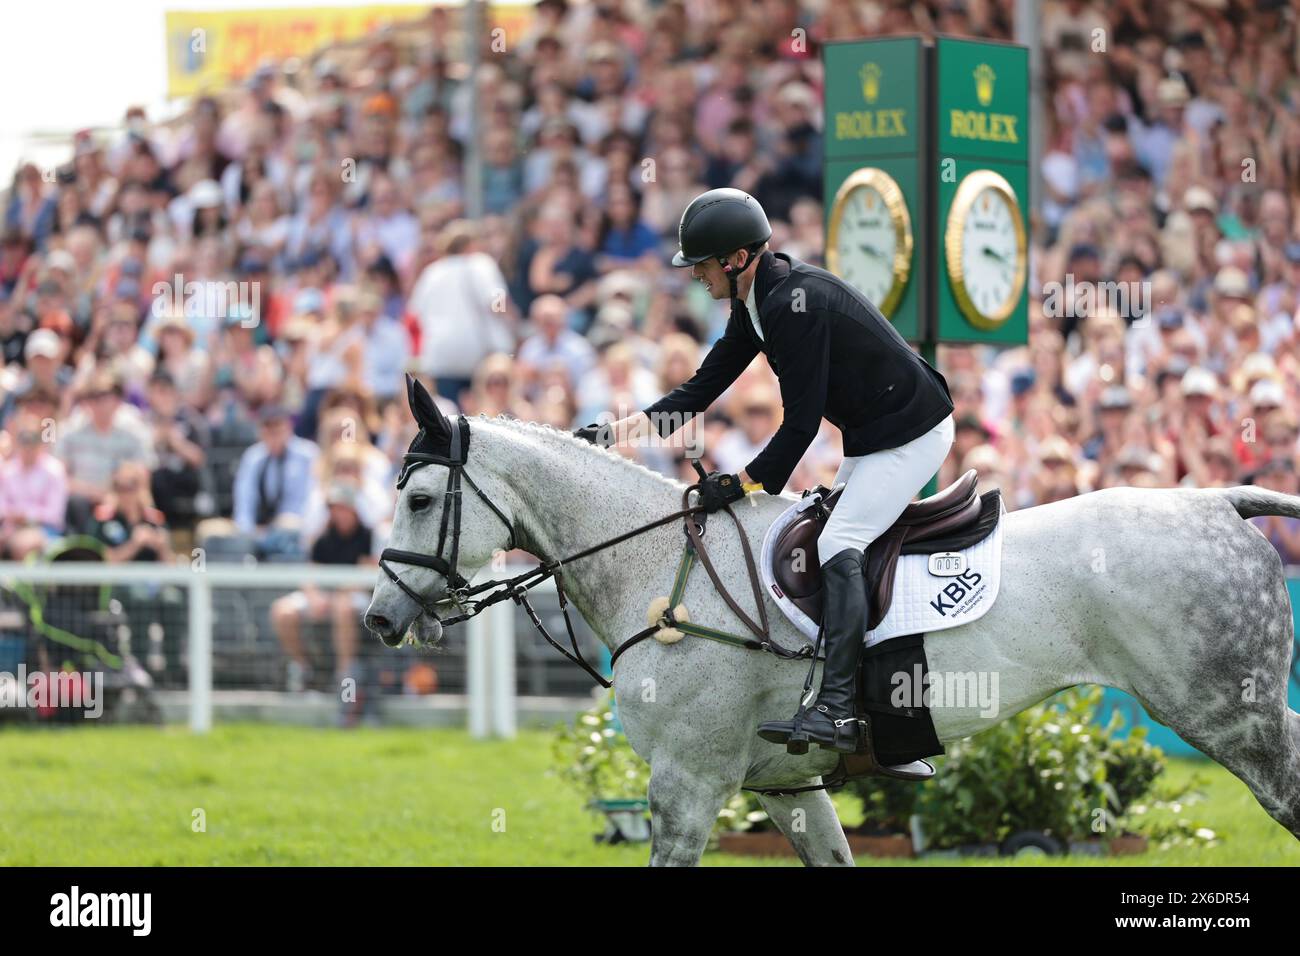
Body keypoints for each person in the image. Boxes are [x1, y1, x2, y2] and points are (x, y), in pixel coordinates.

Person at [581, 188, 954, 770]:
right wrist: (612, 435)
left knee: (836, 544)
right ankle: (877, 717)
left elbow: (800, 425)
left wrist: (740, 483)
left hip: (911, 431)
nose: (695, 277)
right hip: (874, 432)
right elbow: (699, 390)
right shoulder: (758, 300)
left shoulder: (789, 305)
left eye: (701, 265)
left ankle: (838, 708)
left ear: (734, 260)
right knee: (820, 538)